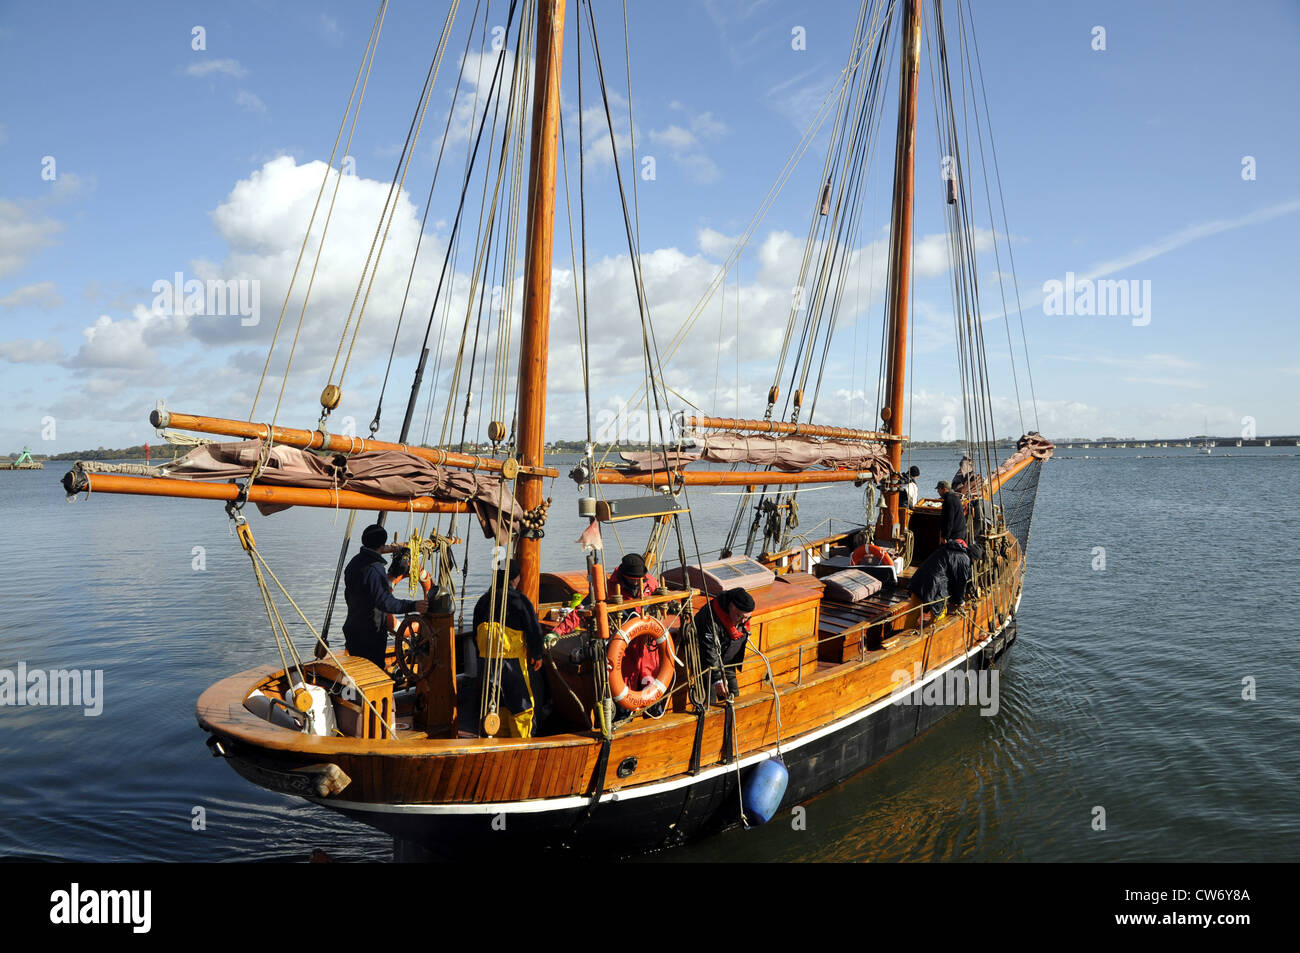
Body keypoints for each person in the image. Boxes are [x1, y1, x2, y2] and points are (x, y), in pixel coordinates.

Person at [472, 559, 545, 738]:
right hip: (511, 665)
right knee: (522, 708)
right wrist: (537, 654)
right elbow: (533, 630)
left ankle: (498, 742)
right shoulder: (520, 601)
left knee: (496, 706)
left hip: (486, 664)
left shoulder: (482, 601)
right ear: (515, 579)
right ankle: (522, 745)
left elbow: (475, 635)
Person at [342, 524, 428, 670]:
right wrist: (414, 605)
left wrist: (387, 549)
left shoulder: (354, 563)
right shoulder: (375, 569)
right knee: (374, 673)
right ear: (382, 544)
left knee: (360, 675)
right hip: (370, 636)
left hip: (352, 630)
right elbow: (386, 603)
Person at [692, 587, 755, 703]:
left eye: (746, 618)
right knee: (709, 705)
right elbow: (709, 649)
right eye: (739, 616)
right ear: (731, 606)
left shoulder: (741, 619)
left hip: (728, 664)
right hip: (707, 667)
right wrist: (717, 680)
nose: (742, 621)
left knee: (734, 699)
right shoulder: (710, 617)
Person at [907, 539, 972, 623]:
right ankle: (933, 633)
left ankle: (905, 632)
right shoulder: (963, 558)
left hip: (919, 581)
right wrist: (960, 601)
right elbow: (960, 581)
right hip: (935, 587)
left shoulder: (943, 549)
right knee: (939, 616)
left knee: (912, 613)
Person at [936, 480, 967, 545]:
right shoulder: (954, 497)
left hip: (955, 535)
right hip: (959, 532)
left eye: (938, 490)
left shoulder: (949, 500)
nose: (938, 492)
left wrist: (945, 536)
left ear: (944, 489)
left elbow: (949, 520)